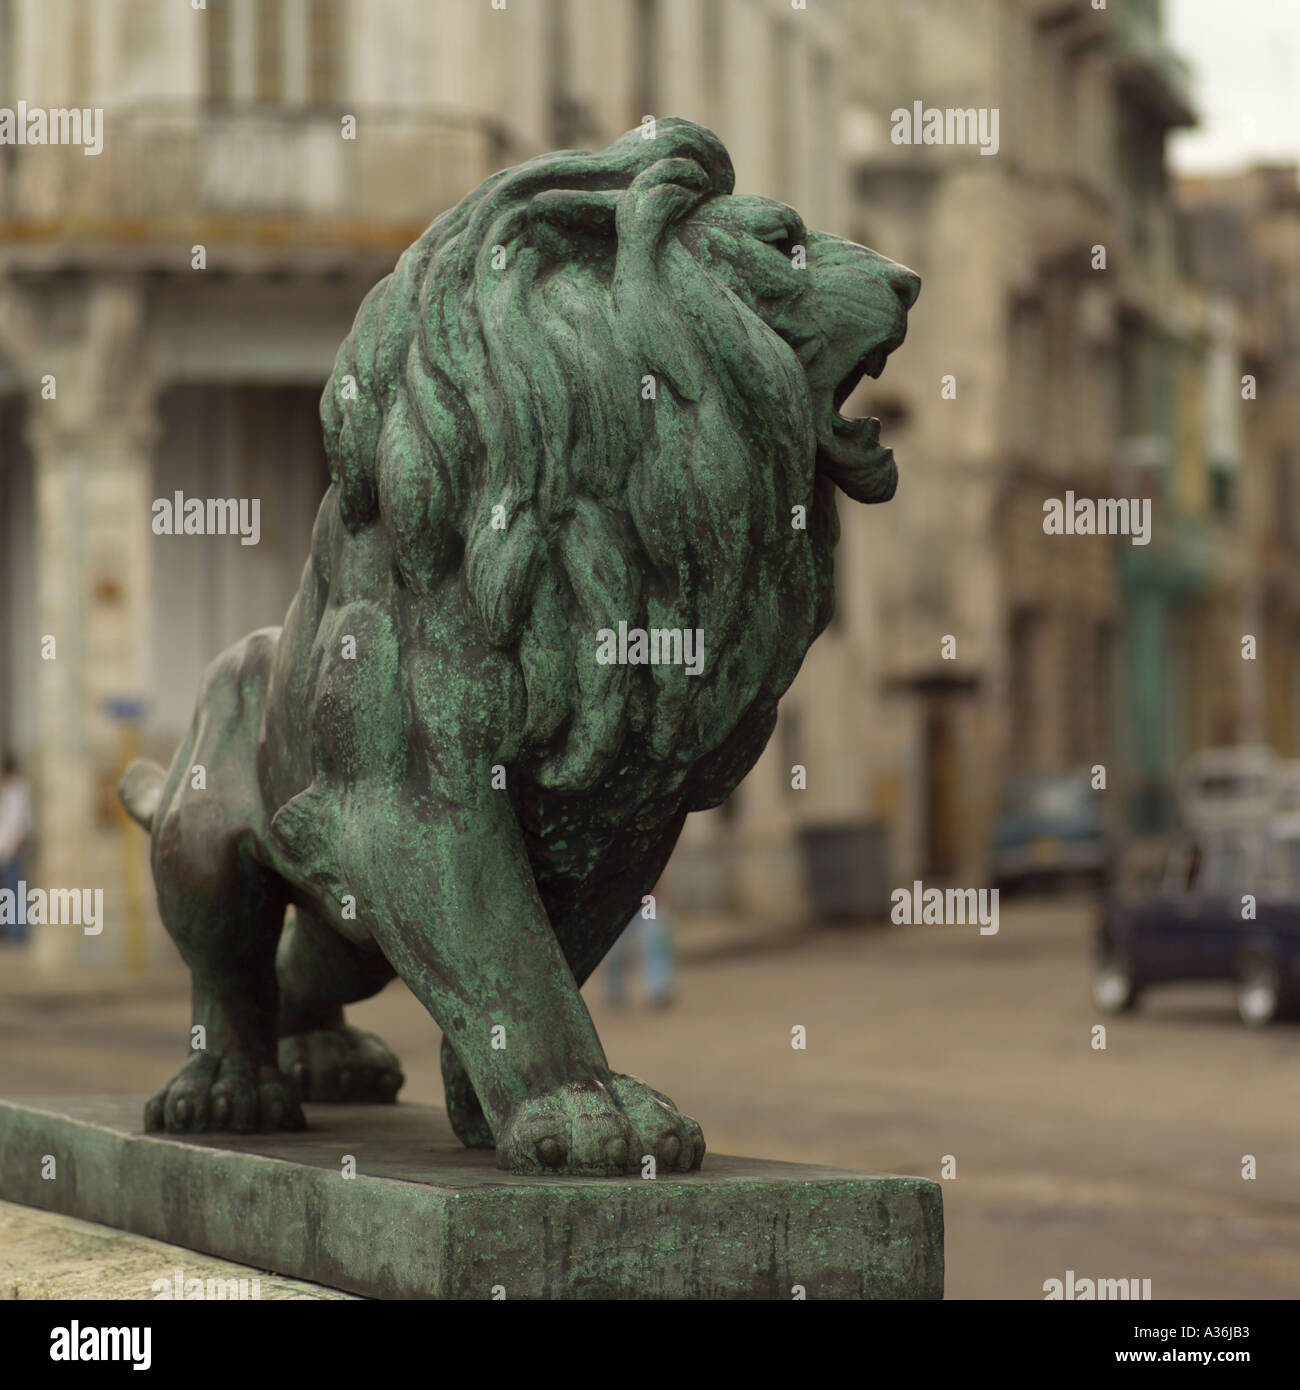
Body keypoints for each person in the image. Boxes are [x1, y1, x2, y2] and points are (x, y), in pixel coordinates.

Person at [604, 876, 676, 1009]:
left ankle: (658, 990)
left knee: (655, 941)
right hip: (617, 901)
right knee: (614, 950)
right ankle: (615, 992)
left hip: (647, 901)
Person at [0, 752, 33, 944]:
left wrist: (17, 847)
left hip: (13, 851)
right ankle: (8, 931)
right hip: (4, 850)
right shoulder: (6, 791)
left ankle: (17, 934)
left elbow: (23, 823)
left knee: (14, 893)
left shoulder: (19, 791)